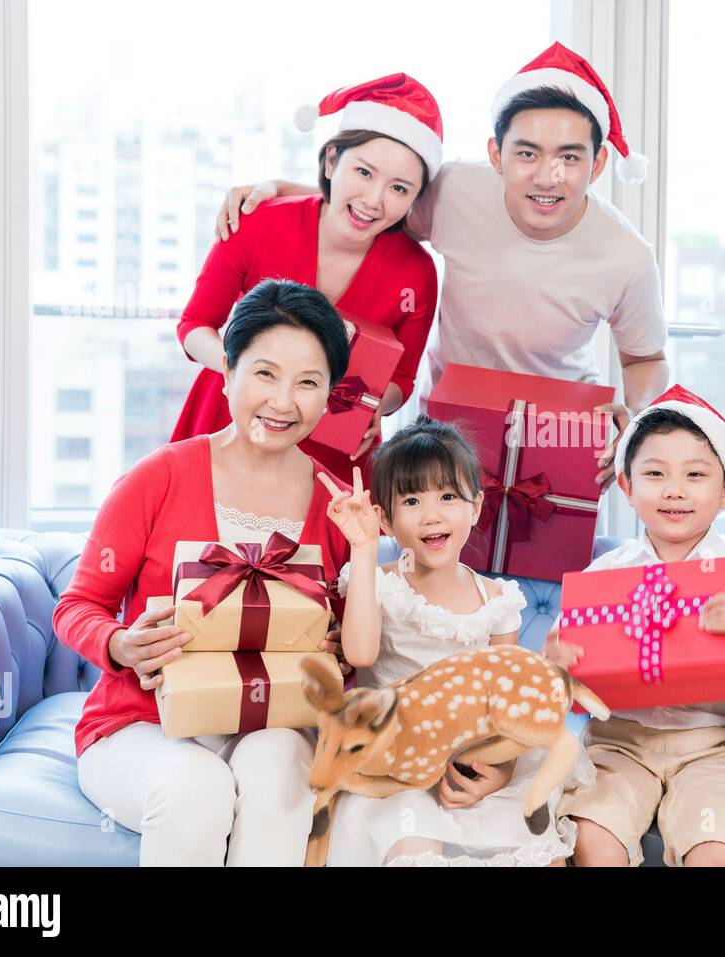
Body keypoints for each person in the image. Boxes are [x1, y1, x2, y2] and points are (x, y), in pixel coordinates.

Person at [215, 43, 670, 487]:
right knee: (429, 556)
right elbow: (373, 206)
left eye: (569, 157)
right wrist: (279, 188)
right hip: (446, 422)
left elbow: (645, 358)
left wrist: (635, 423)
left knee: (542, 559)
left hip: (556, 430)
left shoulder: (626, 255)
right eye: (527, 153)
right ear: (497, 154)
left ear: (598, 164)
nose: (547, 176)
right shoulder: (455, 191)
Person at [55, 279, 353, 866]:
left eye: (308, 383)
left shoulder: (337, 504)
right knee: (198, 787)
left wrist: (338, 645)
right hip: (141, 726)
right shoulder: (159, 476)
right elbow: (77, 606)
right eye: (264, 374)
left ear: (330, 396)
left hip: (271, 721)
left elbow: (347, 630)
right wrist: (120, 642)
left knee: (282, 772)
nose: (283, 402)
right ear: (228, 372)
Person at [319, 415, 591, 866]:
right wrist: (364, 549)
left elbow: (505, 703)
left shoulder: (498, 600)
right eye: (411, 500)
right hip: (395, 762)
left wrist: (498, 772)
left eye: (448, 496)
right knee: (413, 849)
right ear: (385, 518)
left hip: (471, 759)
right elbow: (361, 654)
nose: (432, 514)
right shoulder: (378, 583)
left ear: (476, 507)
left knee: (537, 853)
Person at [546, 386, 725, 866]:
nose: (674, 490)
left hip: (719, 746)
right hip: (619, 743)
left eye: (695, 475)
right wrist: (558, 664)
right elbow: (570, 693)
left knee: (715, 851)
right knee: (592, 840)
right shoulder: (605, 577)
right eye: (655, 474)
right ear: (628, 487)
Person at [172, 74, 442, 478]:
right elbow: (194, 326)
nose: (373, 200)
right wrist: (245, 372)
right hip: (230, 422)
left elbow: (401, 379)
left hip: (332, 444)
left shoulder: (417, 271)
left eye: (399, 189)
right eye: (364, 173)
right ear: (332, 160)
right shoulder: (257, 222)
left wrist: (368, 406)